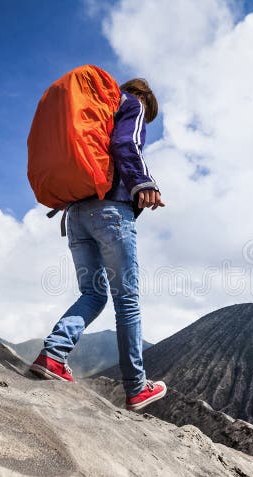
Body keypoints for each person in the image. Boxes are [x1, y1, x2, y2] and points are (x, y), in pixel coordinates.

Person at [29, 78, 167, 412]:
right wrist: (143, 182)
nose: (142, 124)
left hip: (75, 213)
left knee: (92, 294)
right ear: (147, 104)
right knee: (127, 300)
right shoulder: (132, 104)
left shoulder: (96, 113)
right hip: (111, 211)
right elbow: (126, 144)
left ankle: (53, 355)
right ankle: (136, 388)